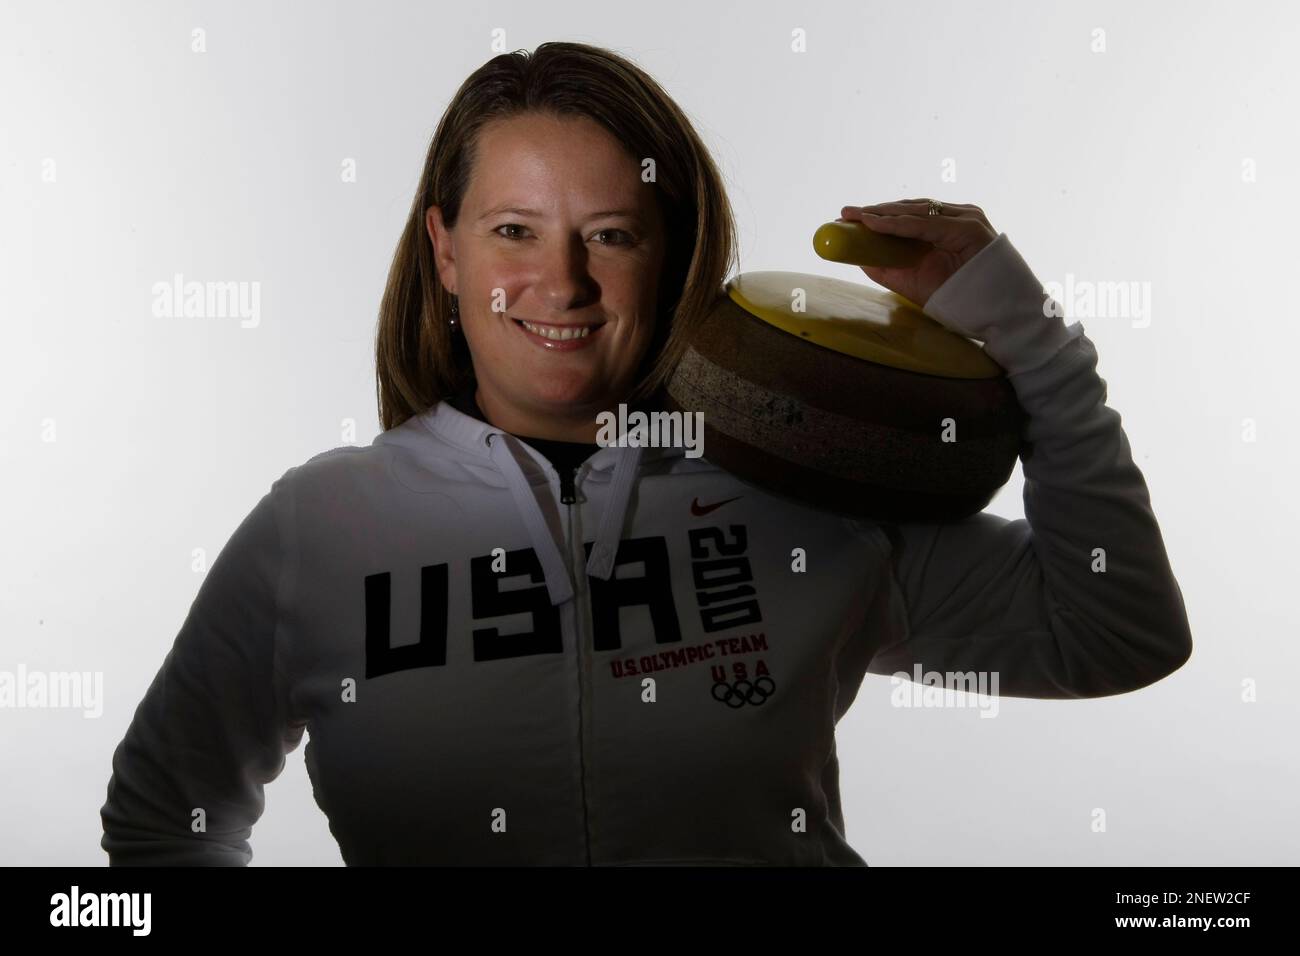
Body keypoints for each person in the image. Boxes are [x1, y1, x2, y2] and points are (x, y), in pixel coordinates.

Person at [99, 41, 1192, 866]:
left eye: (611, 233)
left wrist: (1028, 334)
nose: (562, 283)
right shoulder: (321, 526)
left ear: (670, 254)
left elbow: (1115, 629)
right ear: (443, 248)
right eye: (512, 230)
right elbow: (163, 815)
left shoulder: (800, 496)